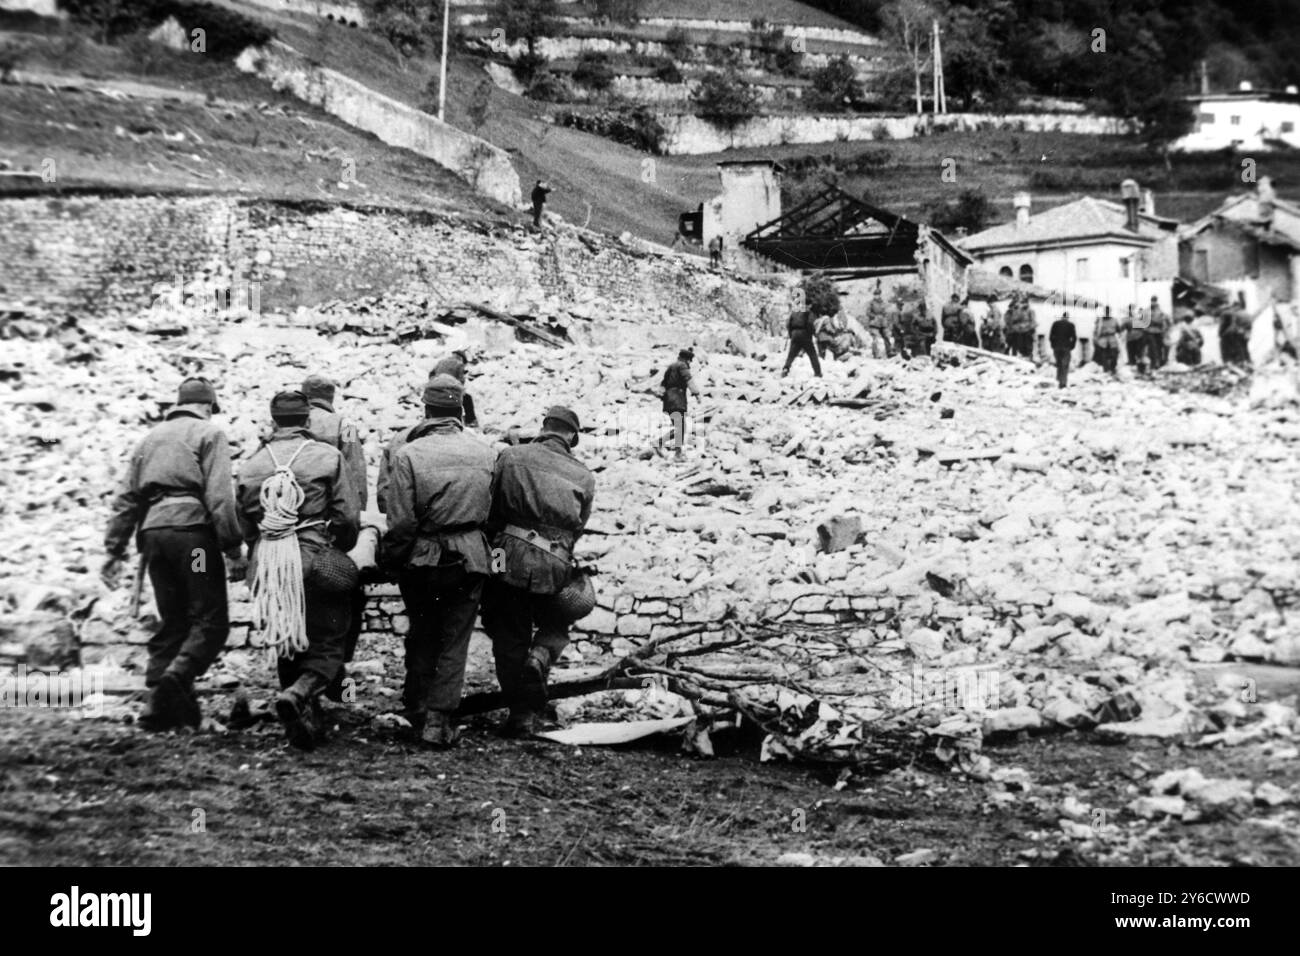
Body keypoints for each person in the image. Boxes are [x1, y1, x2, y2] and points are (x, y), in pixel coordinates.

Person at [103, 378, 244, 731]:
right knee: (210, 620)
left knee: (174, 621)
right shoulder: (209, 434)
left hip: (153, 537)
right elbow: (220, 497)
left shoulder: (148, 439)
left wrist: (114, 548)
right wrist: (232, 547)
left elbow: (125, 498)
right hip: (192, 539)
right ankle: (174, 680)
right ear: (209, 406)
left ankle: (159, 706)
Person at [236, 390, 359, 750]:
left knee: (287, 636)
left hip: (268, 563)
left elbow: (243, 523)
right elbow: (348, 517)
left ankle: (302, 711)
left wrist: (260, 548)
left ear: (273, 421)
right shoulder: (327, 456)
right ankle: (302, 693)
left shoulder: (252, 464)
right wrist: (338, 546)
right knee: (330, 635)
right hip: (312, 556)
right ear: (307, 420)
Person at [379, 375, 495, 748]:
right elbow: (493, 514)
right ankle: (438, 721)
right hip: (470, 558)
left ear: (426, 411)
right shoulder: (486, 452)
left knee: (423, 631)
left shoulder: (407, 455)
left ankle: (415, 705)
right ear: (460, 411)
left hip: (423, 558)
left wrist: (392, 561)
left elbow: (400, 522)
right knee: (455, 639)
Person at [481, 406, 596, 737]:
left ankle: (519, 715)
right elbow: (577, 528)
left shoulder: (511, 456)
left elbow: (491, 507)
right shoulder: (584, 476)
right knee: (558, 620)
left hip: (507, 553)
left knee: (507, 630)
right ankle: (542, 655)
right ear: (572, 436)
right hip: (556, 562)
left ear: (544, 427)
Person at [302, 373, 368, 704]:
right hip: (327, 534)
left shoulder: (285, 425)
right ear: (332, 397)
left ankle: (309, 682)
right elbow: (355, 486)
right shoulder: (343, 425)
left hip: (287, 538)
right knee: (347, 600)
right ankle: (335, 673)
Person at [661, 348, 702, 459]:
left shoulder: (670, 367)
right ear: (686, 359)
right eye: (689, 361)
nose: (690, 363)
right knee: (681, 427)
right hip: (677, 400)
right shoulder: (682, 366)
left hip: (668, 400)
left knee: (680, 426)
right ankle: (661, 445)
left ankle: (676, 451)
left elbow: (662, 385)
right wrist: (697, 394)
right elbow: (689, 380)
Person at [430, 350, 479, 427]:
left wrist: (435, 383)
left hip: (434, 391)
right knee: (467, 399)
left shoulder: (441, 362)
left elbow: (431, 374)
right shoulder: (459, 364)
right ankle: (471, 421)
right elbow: (460, 381)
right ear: (461, 358)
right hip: (449, 391)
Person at [781, 306, 823, 378]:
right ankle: (818, 372)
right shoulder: (808, 313)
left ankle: (786, 368)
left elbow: (788, 324)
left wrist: (791, 334)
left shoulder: (794, 313)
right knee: (812, 354)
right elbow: (810, 324)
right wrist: (813, 333)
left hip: (795, 334)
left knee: (791, 354)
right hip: (804, 334)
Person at [1049, 312, 1078, 388]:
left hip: (1057, 347)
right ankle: (1063, 383)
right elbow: (1074, 338)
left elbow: (1051, 336)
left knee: (1059, 364)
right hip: (1066, 347)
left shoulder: (1055, 324)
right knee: (1064, 365)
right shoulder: (1070, 325)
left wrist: (1053, 345)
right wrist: (1072, 346)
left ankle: (1059, 380)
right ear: (1067, 317)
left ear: (1062, 317)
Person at [1006, 294, 1036, 359]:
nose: (1022, 304)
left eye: (1024, 302)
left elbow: (1033, 322)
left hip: (1027, 332)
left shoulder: (1031, 311)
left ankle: (1029, 359)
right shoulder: (1019, 311)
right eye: (1022, 302)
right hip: (1019, 332)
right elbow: (1015, 320)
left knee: (1028, 348)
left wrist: (1027, 327)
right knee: (1020, 348)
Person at [1093, 306, 1121, 375]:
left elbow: (1119, 330)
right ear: (1104, 312)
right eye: (1106, 311)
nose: (1107, 313)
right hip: (1103, 340)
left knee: (1115, 354)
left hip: (1112, 340)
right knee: (1103, 355)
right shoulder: (1100, 320)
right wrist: (1095, 339)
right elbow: (1096, 331)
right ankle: (1106, 369)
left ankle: (1113, 368)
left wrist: (1119, 335)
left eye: (1108, 311)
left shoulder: (1114, 320)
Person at [866, 287, 892, 358]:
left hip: (883, 323)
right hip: (874, 323)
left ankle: (889, 352)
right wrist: (874, 316)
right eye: (875, 294)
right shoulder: (871, 303)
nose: (877, 296)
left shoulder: (883, 302)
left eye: (878, 294)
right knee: (876, 339)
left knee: (887, 336)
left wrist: (884, 317)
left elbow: (885, 312)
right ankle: (876, 354)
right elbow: (868, 312)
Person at [1145, 297, 1169, 369]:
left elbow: (1167, 321)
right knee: (1153, 348)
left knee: (1162, 347)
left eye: (1155, 301)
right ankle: (1155, 363)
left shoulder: (1161, 311)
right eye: (1152, 301)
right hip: (1150, 332)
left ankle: (1161, 362)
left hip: (1159, 332)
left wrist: (1165, 329)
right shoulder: (1147, 311)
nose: (1153, 302)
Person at [1125, 304, 1150, 371]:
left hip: (1138, 338)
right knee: (1133, 353)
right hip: (1132, 338)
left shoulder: (1137, 317)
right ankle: (1135, 365)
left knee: (1139, 353)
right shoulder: (1128, 319)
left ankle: (1139, 367)